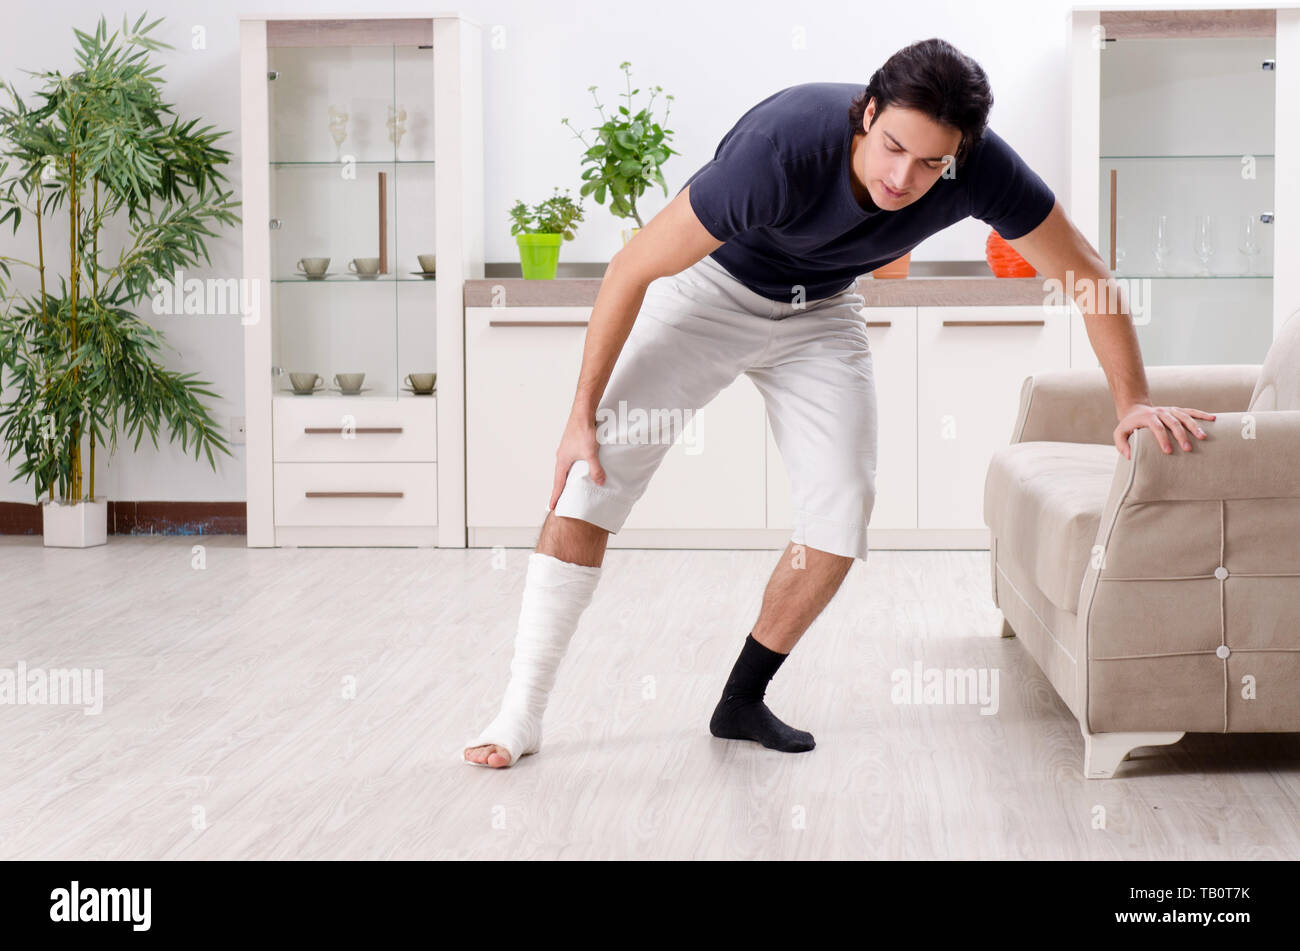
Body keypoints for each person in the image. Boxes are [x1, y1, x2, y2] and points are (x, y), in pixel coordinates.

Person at [462, 37, 1217, 768]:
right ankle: (520, 711)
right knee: (590, 479)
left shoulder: (978, 167)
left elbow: (1084, 271)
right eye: (892, 146)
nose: (902, 178)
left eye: (930, 163)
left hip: (820, 311)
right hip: (713, 293)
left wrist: (1133, 402)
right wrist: (577, 416)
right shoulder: (779, 152)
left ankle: (740, 702)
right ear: (866, 112)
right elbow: (629, 269)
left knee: (842, 509)